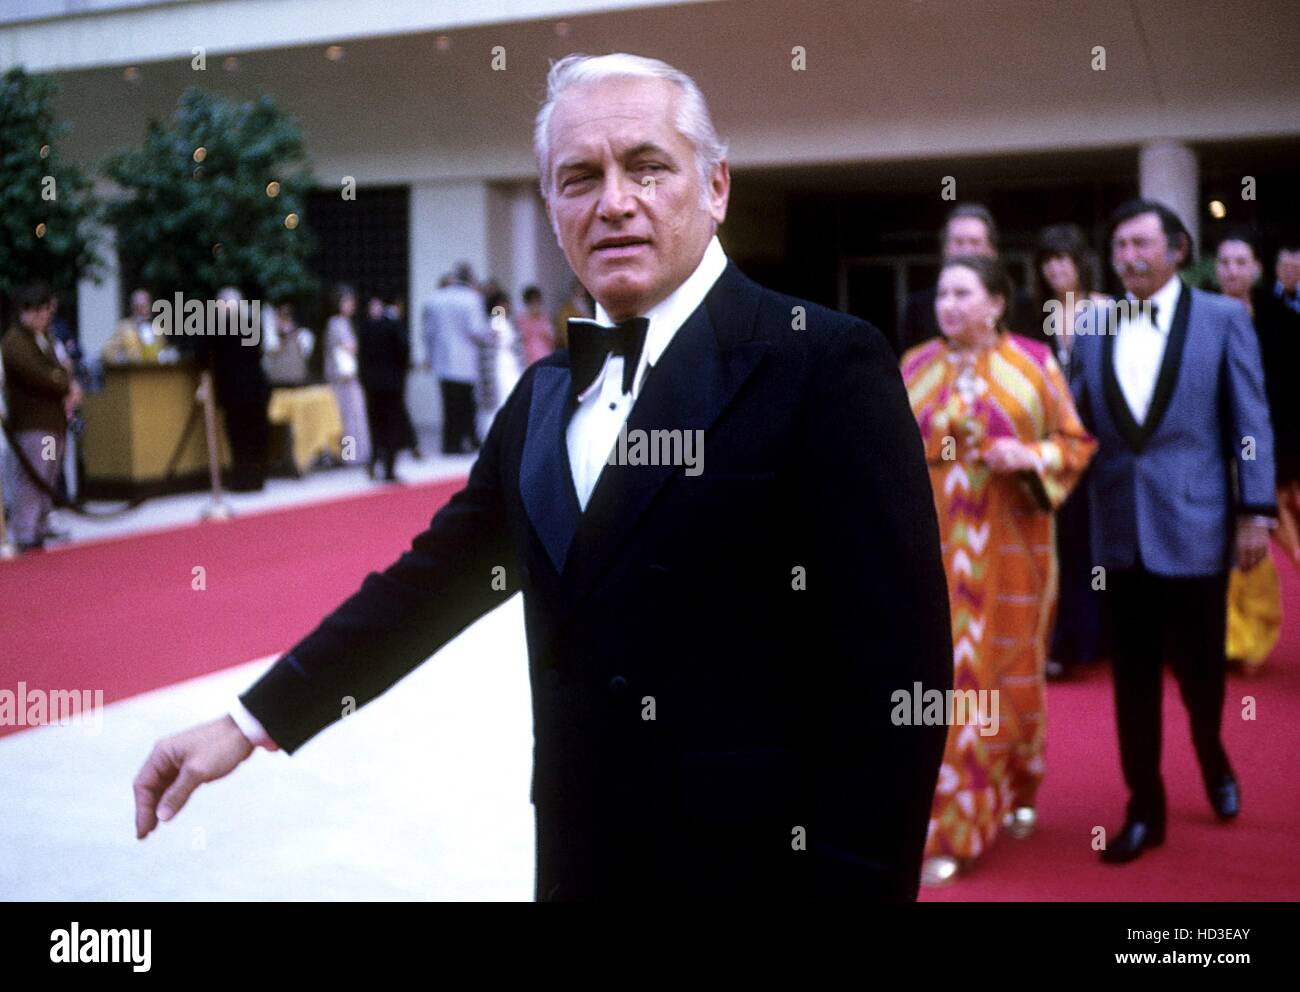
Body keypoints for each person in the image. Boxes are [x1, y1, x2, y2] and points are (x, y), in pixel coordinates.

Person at [133, 52, 952, 902]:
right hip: (581, 858)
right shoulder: (542, 395)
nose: (615, 202)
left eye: (646, 167)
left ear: (716, 188)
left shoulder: (821, 363)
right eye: (579, 177)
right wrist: (249, 721)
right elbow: (431, 583)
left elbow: (902, 674)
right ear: (554, 209)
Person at [1070, 199, 1276, 864]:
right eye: (1120, 246)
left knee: (1199, 672)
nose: (1129, 256)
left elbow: (1250, 421)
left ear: (1178, 250)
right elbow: (1073, 420)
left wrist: (1255, 510)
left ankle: (1213, 755)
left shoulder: (1221, 318)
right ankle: (1144, 807)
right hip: (1118, 527)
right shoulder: (1094, 328)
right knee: (1131, 676)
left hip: (1197, 522)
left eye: (1142, 244)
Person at [901, 255, 1095, 886]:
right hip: (933, 557)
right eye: (942, 294)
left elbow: (1075, 444)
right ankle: (954, 825)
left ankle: (1019, 785)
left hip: (1014, 552)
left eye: (962, 293)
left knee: (1011, 676)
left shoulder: (1034, 365)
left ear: (996, 303)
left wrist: (1029, 452)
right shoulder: (914, 367)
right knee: (951, 682)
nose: (947, 305)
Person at [1035, 224, 1113, 681]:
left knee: (1092, 543)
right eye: (1048, 261)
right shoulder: (1038, 311)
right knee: (1058, 543)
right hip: (1050, 443)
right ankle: (1060, 641)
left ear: (1080, 261)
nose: (1056, 268)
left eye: (1064, 258)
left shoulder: (1104, 308)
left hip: (1098, 443)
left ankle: (1095, 640)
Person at [897, 203, 1038, 355]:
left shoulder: (1021, 305)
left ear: (992, 251)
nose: (966, 251)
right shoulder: (918, 308)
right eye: (958, 242)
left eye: (975, 242)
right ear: (944, 249)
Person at [0, 282, 80, 552]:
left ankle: (40, 525)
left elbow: (60, 372)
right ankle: (26, 530)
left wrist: (61, 379)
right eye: (38, 311)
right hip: (34, 424)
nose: (43, 316)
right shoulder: (15, 341)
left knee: (47, 474)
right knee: (33, 476)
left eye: (46, 311)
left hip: (51, 422)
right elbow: (41, 376)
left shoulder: (43, 339)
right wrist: (62, 380)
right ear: (24, 311)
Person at [423, 263, 491, 454]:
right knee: (467, 404)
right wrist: (490, 331)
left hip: (442, 359)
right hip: (465, 360)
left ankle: (449, 443)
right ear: (470, 278)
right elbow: (477, 330)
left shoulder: (435, 298)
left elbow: (428, 332)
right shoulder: (472, 299)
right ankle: (468, 440)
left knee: (448, 405)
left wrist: (429, 356)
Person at [357, 295, 414, 483]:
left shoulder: (365, 328)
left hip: (372, 384)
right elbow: (404, 350)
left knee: (375, 425)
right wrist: (401, 373)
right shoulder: (393, 326)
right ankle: (389, 468)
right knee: (391, 426)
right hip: (392, 383)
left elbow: (361, 358)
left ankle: (373, 461)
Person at [324, 284, 372, 468]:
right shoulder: (337, 323)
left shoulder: (340, 322)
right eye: (347, 301)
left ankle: (350, 454)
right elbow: (349, 346)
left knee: (350, 417)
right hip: (343, 377)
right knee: (348, 418)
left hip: (345, 377)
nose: (351, 305)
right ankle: (349, 455)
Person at [478, 286, 524, 439]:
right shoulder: (496, 319)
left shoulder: (509, 321)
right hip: (497, 364)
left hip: (511, 363)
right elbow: (493, 338)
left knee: (511, 395)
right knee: (498, 397)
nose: (505, 307)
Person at [102, 287, 162, 364]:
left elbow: (163, 350)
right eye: (137, 307)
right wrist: (122, 357)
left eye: (144, 307)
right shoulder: (124, 327)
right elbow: (106, 352)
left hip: (154, 372)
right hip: (132, 372)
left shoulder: (157, 329)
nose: (141, 311)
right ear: (132, 308)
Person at [262, 303, 315, 387]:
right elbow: (273, 349)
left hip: (296, 380)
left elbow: (305, 353)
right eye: (281, 315)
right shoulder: (271, 335)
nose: (283, 320)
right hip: (275, 381)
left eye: (287, 315)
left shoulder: (304, 335)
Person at [517, 285, 556, 365]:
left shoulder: (545, 319)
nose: (535, 306)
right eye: (532, 303)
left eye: (537, 302)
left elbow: (552, 338)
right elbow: (519, 339)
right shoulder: (521, 320)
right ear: (527, 304)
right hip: (527, 358)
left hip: (544, 355)